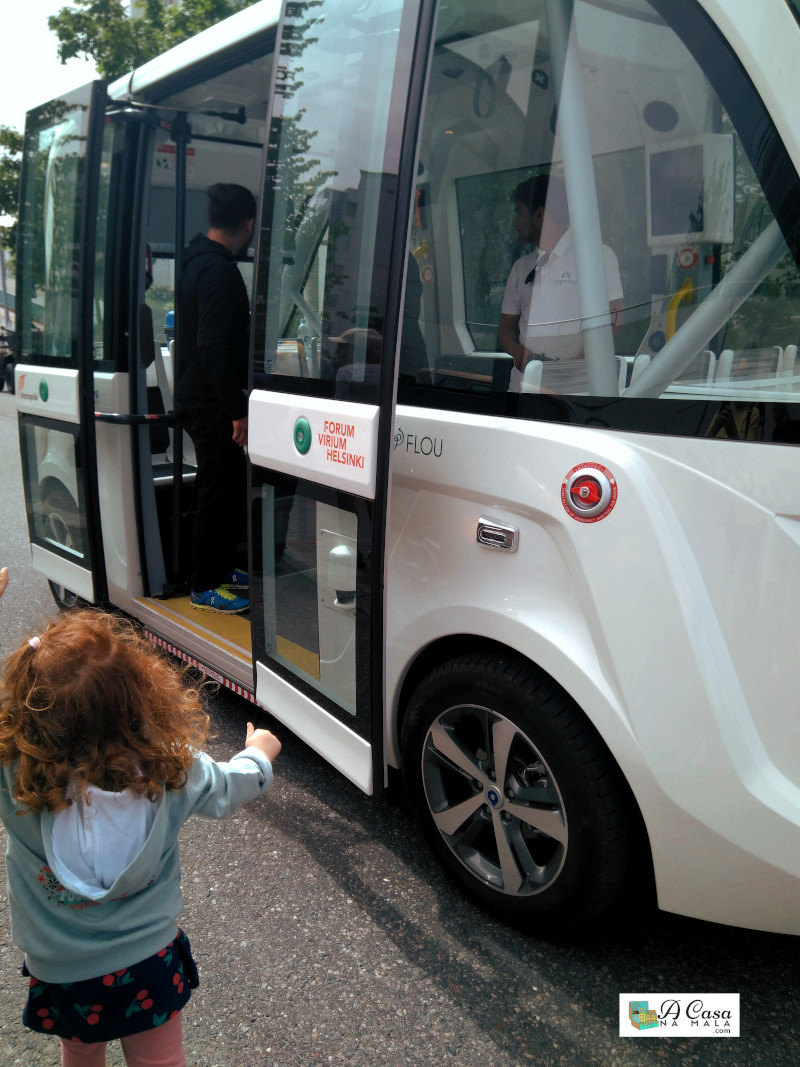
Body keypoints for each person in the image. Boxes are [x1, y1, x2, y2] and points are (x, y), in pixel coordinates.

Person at [0, 609, 281, 1066]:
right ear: (139, 696)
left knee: (80, 1052)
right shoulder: (172, 769)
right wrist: (259, 755)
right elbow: (231, 787)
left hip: (62, 970)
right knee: (160, 1059)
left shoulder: (16, 776)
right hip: (149, 964)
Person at [175, 183, 257, 614]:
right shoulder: (220, 272)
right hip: (210, 403)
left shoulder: (195, 262)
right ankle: (204, 584)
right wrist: (236, 409)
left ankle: (221, 569)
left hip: (199, 395)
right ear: (248, 224)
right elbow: (212, 345)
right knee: (215, 490)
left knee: (222, 487)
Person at [498, 172, 624, 393]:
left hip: (579, 388)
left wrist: (573, 366)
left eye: (519, 213)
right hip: (524, 387)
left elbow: (614, 321)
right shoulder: (520, 268)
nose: (515, 223)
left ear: (538, 215)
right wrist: (520, 354)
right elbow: (505, 329)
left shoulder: (597, 257)